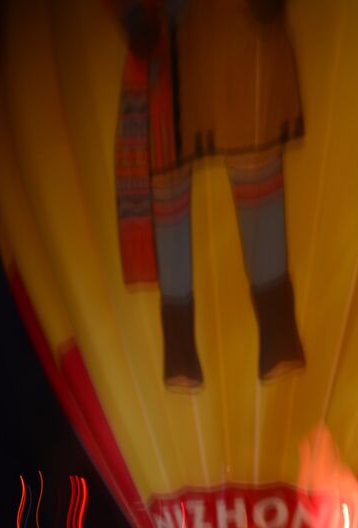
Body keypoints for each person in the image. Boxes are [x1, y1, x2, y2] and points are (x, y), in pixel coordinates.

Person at [113, 0, 306, 389]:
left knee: (251, 178)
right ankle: (189, 352)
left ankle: (271, 339)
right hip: (173, 62)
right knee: (194, 193)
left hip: (232, 46)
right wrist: (133, 17)